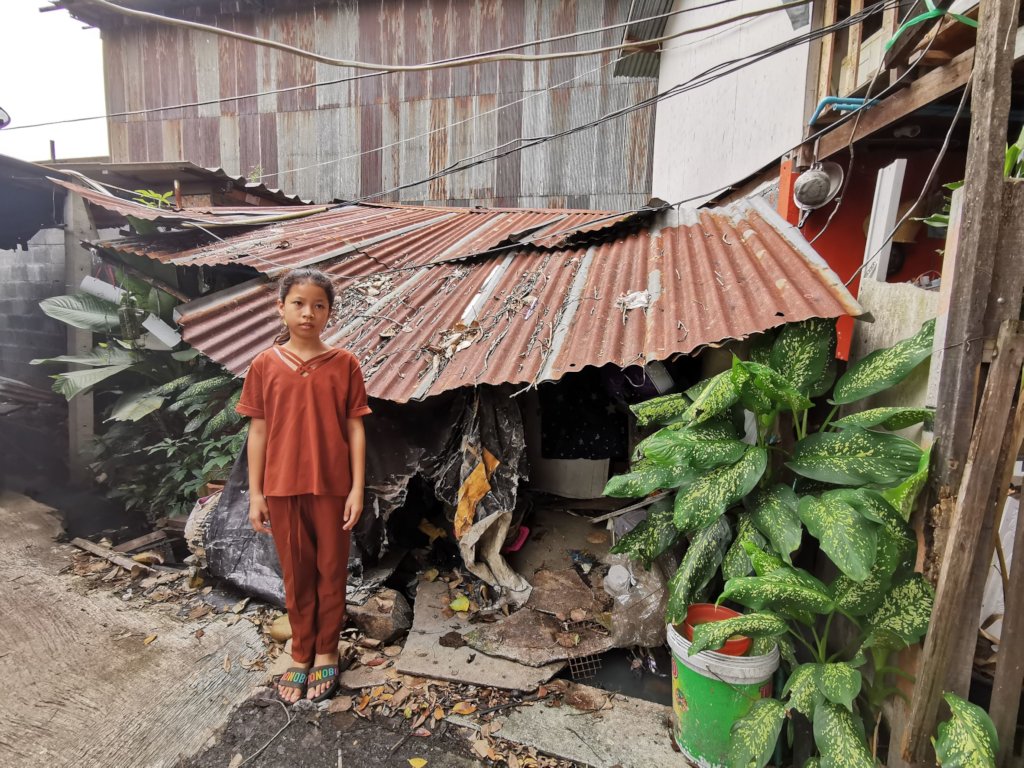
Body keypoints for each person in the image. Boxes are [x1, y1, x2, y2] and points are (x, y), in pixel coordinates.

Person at [236, 268, 372, 704]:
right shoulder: (264, 365)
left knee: (332, 572)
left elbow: (355, 429)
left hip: (333, 487)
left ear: (329, 312)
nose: (307, 313)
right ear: (280, 308)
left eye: (318, 305)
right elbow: (257, 432)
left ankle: (327, 651)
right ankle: (300, 654)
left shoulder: (345, 364)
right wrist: (256, 493)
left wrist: (357, 489)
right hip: (281, 487)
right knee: (296, 575)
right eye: (298, 303)